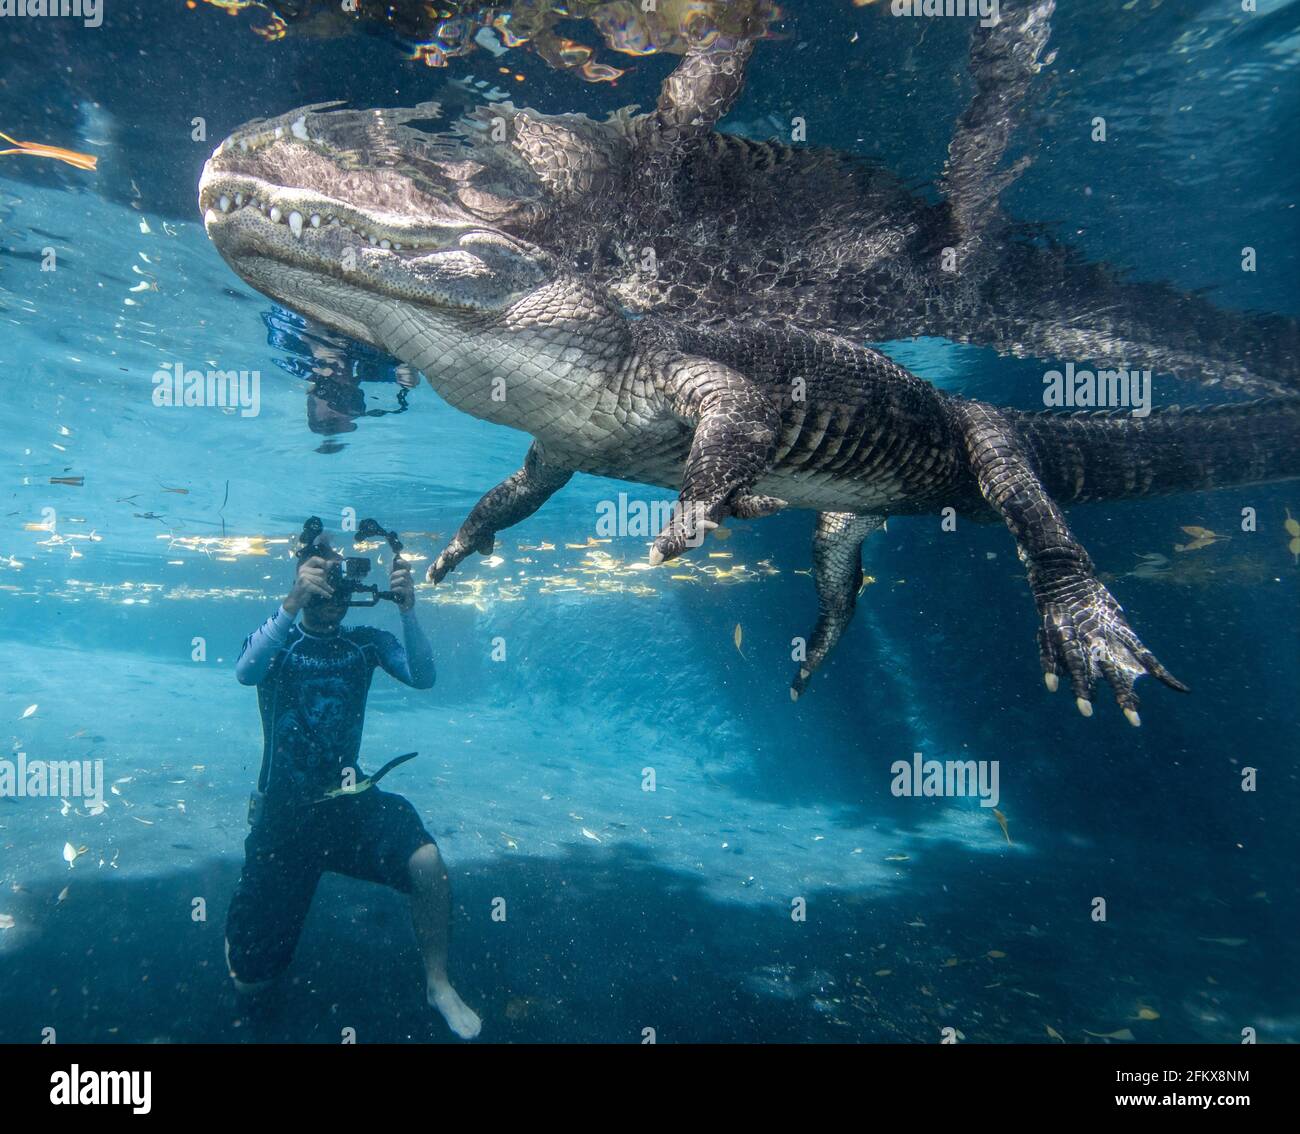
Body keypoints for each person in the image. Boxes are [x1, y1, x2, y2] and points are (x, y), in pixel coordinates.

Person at [224, 535, 480, 1039]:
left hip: (348, 800)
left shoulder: (365, 643)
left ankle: (438, 982)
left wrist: (409, 612)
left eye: (339, 586)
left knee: (425, 862)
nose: (330, 598)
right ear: (300, 580)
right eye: (320, 584)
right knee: (252, 980)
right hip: (284, 813)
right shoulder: (281, 641)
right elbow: (244, 671)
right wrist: (291, 604)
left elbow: (422, 677)